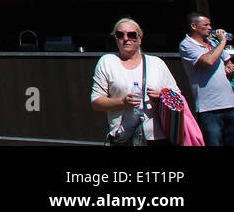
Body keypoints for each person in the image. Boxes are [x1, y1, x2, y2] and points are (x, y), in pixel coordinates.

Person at [93, 16, 180, 145]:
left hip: (158, 136)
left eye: (131, 35)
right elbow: (96, 102)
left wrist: (161, 96)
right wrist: (123, 101)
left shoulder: (156, 63)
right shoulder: (107, 62)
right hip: (125, 137)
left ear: (139, 39)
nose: (126, 39)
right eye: (120, 35)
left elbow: (177, 97)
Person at [177, 13, 234, 145]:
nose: (210, 28)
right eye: (206, 25)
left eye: (210, 24)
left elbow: (227, 62)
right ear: (194, 26)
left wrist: (229, 66)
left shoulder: (213, 42)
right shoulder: (186, 44)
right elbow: (208, 60)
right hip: (209, 109)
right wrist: (223, 42)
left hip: (230, 104)